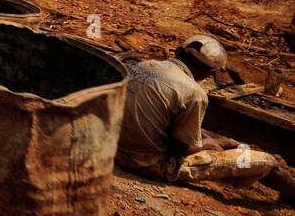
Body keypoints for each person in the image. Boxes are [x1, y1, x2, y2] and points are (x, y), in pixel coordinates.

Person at [116, 35, 295, 203]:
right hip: (145, 162)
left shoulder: (141, 65)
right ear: (210, 72)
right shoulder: (194, 92)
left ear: (178, 51)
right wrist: (209, 144)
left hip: (111, 148)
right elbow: (178, 151)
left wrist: (214, 140)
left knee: (208, 136)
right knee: (267, 162)